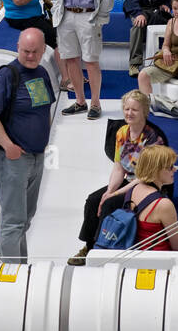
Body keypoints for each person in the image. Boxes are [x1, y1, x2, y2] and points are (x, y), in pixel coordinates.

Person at [0, 26, 56, 260]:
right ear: (17, 49)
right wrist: (8, 146)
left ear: (44, 49)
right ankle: (11, 275)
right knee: (13, 222)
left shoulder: (42, 73)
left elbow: (45, 109)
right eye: (26, 51)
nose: (31, 56)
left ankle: (20, 267)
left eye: (35, 51)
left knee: (26, 217)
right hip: (13, 159)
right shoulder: (7, 75)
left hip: (36, 157)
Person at [69, 89, 168, 264]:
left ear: (144, 112)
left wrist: (114, 195)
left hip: (145, 183)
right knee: (93, 200)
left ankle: (100, 250)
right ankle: (89, 245)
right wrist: (109, 190)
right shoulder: (122, 132)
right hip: (128, 179)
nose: (129, 113)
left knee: (109, 204)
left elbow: (145, 176)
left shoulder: (153, 138)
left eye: (134, 110)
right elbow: (118, 167)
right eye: (127, 109)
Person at [50, 0, 114, 120]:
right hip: (66, 16)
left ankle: (95, 103)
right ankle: (79, 101)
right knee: (70, 59)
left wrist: (99, 20)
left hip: (89, 17)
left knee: (91, 61)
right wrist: (56, 12)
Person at [120, 145, 178, 251]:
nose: (175, 170)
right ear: (156, 170)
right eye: (170, 167)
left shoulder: (133, 190)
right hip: (158, 262)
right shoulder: (163, 204)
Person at [124, 0, 172, 78]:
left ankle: (171, 61)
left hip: (158, 8)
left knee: (174, 25)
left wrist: (167, 4)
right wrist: (137, 13)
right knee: (138, 25)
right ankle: (134, 63)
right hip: (141, 9)